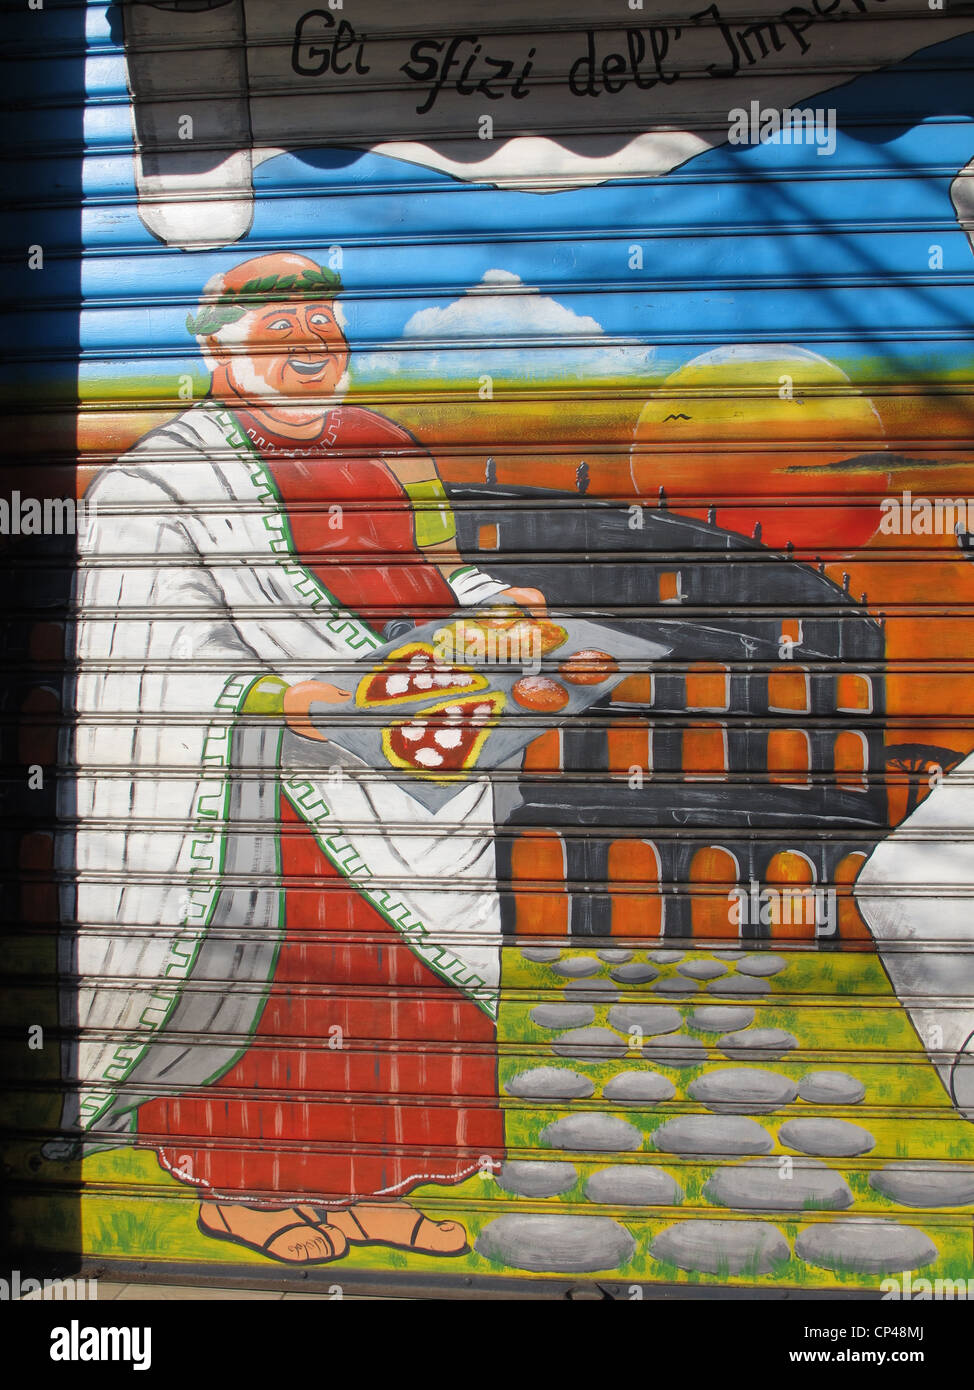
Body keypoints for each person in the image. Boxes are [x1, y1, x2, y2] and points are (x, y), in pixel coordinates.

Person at [61, 251, 545, 1264]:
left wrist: (498, 614)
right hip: (267, 790)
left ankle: (378, 1185)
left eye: (323, 327)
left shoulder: (385, 450)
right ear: (216, 347)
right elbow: (148, 656)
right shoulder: (162, 478)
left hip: (406, 764)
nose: (311, 348)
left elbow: (431, 584)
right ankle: (245, 1190)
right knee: (285, 992)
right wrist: (286, 697)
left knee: (400, 986)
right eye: (282, 334)